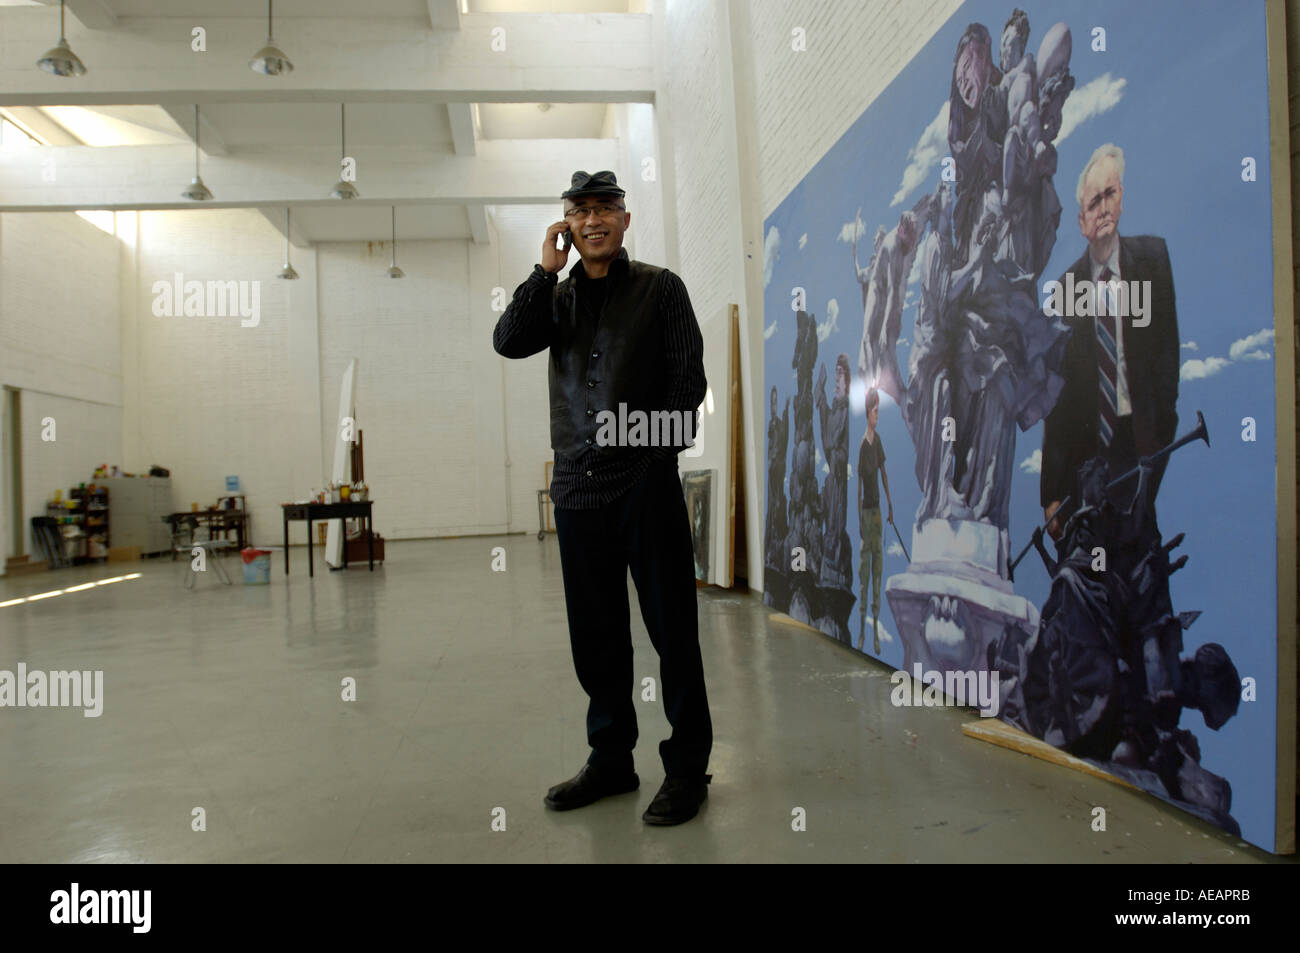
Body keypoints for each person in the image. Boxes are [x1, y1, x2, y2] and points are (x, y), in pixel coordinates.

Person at [492, 170, 713, 826]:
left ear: (624, 218)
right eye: (580, 211)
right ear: (568, 223)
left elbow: (688, 382)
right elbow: (508, 341)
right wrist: (542, 271)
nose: (594, 220)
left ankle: (687, 768)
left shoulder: (661, 289)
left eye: (605, 209)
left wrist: (644, 453)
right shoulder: (553, 302)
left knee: (672, 629)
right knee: (596, 634)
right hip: (576, 490)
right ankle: (611, 758)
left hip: (645, 486)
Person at [1041, 144, 1179, 537]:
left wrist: (1155, 445)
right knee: (1088, 574)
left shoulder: (1152, 260)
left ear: (1121, 199)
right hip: (1085, 458)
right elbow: (1056, 399)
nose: (1103, 208)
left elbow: (1168, 359)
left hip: (1137, 443)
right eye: (1093, 202)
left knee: (1140, 567)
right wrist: (1051, 492)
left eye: (1110, 194)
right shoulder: (1066, 289)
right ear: (1082, 221)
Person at [857, 387, 894, 654]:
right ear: (868, 411)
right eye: (876, 411)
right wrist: (860, 519)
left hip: (878, 514)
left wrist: (890, 505)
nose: (877, 415)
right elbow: (859, 487)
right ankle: (860, 632)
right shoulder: (862, 446)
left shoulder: (878, 441)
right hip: (867, 515)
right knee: (864, 573)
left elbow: (884, 474)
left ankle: (876, 633)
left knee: (877, 571)